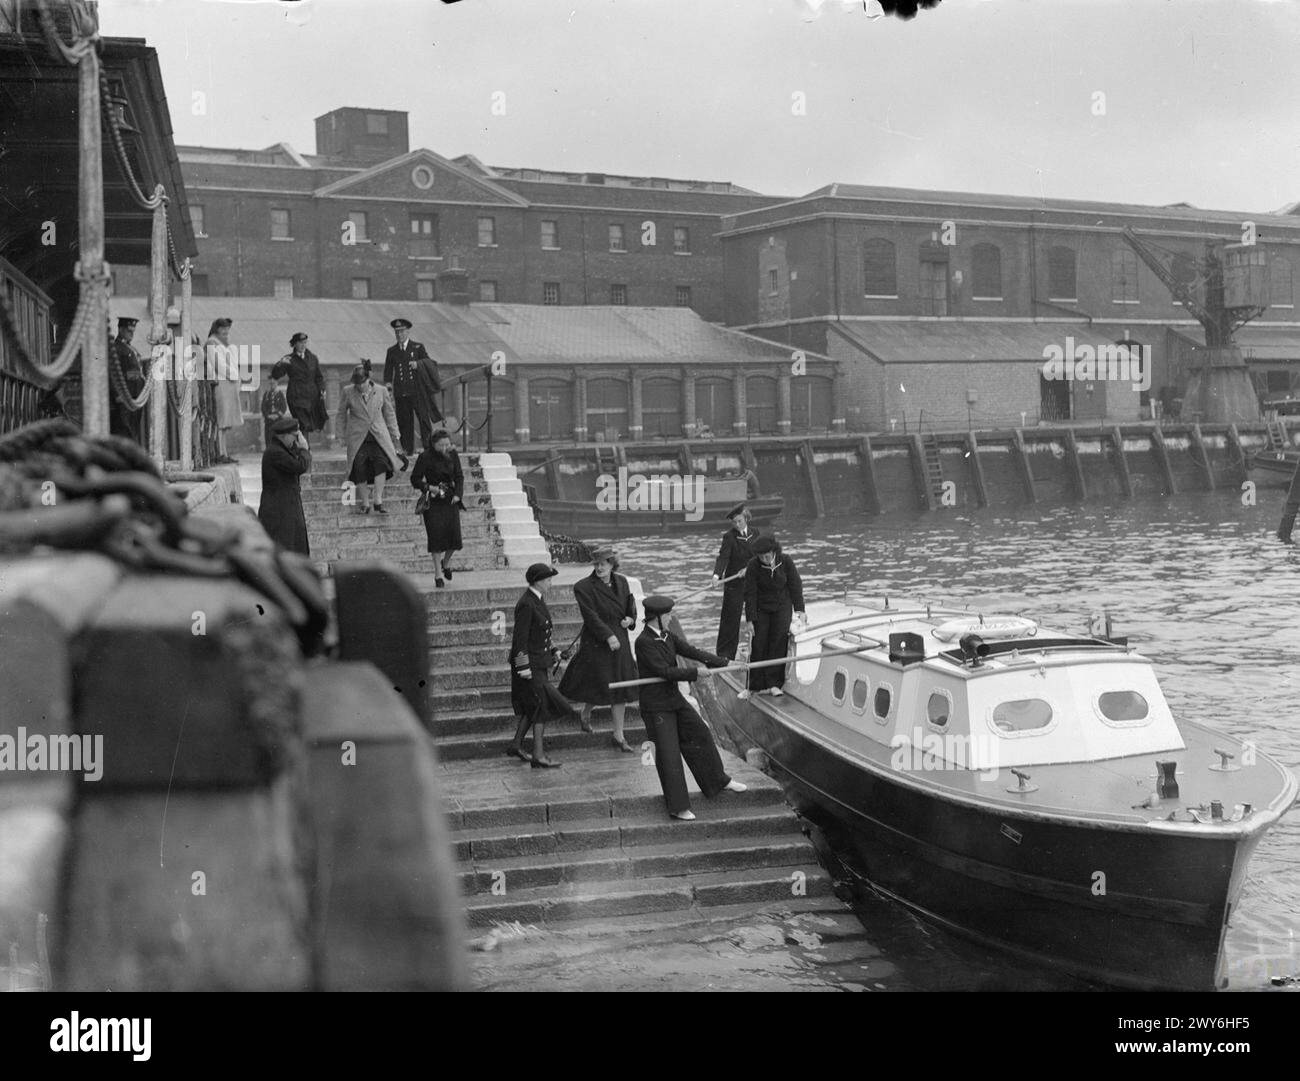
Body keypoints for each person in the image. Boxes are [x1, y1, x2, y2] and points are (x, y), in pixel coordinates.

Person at [635, 594, 746, 821]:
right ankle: (677, 806)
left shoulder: (666, 636)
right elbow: (664, 672)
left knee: (701, 734)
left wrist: (726, 663)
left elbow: (692, 651)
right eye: (668, 615)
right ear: (656, 617)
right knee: (668, 754)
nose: (671, 618)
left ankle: (718, 781)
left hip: (673, 699)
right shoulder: (643, 642)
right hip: (656, 706)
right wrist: (695, 673)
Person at [557, 547, 638, 752]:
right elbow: (590, 617)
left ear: (612, 564)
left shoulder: (622, 582)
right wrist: (608, 636)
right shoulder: (583, 587)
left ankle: (618, 735)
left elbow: (630, 606)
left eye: (603, 564)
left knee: (619, 685)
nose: (599, 568)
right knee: (599, 683)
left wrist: (630, 619)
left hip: (620, 639)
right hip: (598, 640)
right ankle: (586, 712)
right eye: (596, 564)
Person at [506, 563, 576, 768]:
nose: (550, 583)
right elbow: (519, 640)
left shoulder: (537, 599)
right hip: (529, 667)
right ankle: (538, 755)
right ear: (537, 581)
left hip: (539, 663)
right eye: (548, 580)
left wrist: (555, 652)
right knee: (541, 706)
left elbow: (542, 635)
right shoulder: (527, 604)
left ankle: (516, 744)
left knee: (534, 706)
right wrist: (523, 668)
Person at [741, 535, 806, 699]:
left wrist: (800, 609)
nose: (764, 559)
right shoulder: (753, 566)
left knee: (778, 643)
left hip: (782, 607)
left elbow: (795, 585)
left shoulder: (786, 561)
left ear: (774, 551)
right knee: (759, 643)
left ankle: (774, 684)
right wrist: (750, 619)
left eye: (767, 556)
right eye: (761, 557)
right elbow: (750, 593)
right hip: (761, 608)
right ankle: (753, 686)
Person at [338, 360, 404, 517]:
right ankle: (365, 504)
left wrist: (395, 434)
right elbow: (341, 415)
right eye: (357, 383)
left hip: (378, 435)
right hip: (357, 436)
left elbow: (389, 413)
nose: (360, 386)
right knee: (358, 466)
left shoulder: (381, 391)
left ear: (369, 379)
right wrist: (340, 435)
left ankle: (378, 500)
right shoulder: (348, 391)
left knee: (381, 464)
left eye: (363, 382)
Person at [410, 428, 463, 587]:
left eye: (447, 444)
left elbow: (459, 476)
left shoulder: (453, 455)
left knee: (454, 538)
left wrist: (458, 494)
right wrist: (429, 487)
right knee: (436, 536)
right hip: (433, 501)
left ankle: (445, 563)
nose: (445, 448)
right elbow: (415, 479)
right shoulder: (424, 457)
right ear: (433, 444)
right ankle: (438, 574)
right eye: (441, 445)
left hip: (450, 499)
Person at [383, 318, 442, 456]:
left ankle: (428, 448)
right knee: (404, 421)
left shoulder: (417, 347)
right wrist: (388, 384)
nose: (399, 335)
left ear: (408, 331)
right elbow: (388, 371)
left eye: (402, 331)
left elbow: (430, 363)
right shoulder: (391, 351)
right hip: (401, 392)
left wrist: (418, 364)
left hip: (417, 391)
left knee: (423, 419)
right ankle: (407, 449)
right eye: (397, 332)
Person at [257, 416, 311, 555]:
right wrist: (304, 449)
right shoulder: (275, 452)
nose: (296, 440)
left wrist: (299, 450)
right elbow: (299, 466)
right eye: (294, 436)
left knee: (293, 546)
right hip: (279, 510)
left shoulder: (281, 450)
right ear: (284, 435)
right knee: (286, 548)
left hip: (285, 506)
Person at [711, 502, 757, 661]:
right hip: (734, 584)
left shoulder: (755, 533)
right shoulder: (729, 537)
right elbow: (723, 557)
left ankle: (757, 651)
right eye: (735, 522)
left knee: (756, 615)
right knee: (730, 619)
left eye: (740, 521)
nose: (737, 525)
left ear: (746, 518)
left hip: (752, 583)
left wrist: (749, 568)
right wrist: (717, 576)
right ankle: (725, 656)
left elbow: (759, 556)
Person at [206, 317, 241, 464]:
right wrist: (233, 374)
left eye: (228, 329)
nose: (226, 332)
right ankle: (219, 453)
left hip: (227, 386)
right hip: (220, 385)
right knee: (221, 421)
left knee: (225, 423)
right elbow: (218, 364)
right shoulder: (212, 343)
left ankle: (224, 452)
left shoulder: (223, 344)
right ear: (217, 329)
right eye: (224, 329)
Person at [282, 332, 327, 445]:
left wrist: (322, 389)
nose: (303, 345)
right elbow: (276, 373)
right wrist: (280, 364)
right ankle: (305, 452)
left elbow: (319, 377)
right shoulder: (289, 359)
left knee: (309, 425)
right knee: (303, 425)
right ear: (294, 344)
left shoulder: (313, 358)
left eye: (305, 342)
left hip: (311, 398)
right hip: (297, 398)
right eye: (300, 343)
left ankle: (303, 451)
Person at [109, 316, 147, 443]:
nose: (131, 334)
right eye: (128, 331)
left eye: (133, 331)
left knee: (132, 432)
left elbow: (133, 374)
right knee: (125, 433)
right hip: (124, 400)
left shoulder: (131, 349)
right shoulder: (116, 348)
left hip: (134, 399)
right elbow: (113, 373)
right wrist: (117, 395)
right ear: (120, 329)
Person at [260, 360, 291, 448]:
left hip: (278, 421)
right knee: (269, 440)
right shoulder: (266, 394)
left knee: (278, 440)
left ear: (277, 383)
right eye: (271, 383)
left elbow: (283, 407)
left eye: (274, 383)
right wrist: (268, 415)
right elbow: (263, 407)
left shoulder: (280, 394)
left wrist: (277, 415)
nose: (272, 385)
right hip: (269, 422)